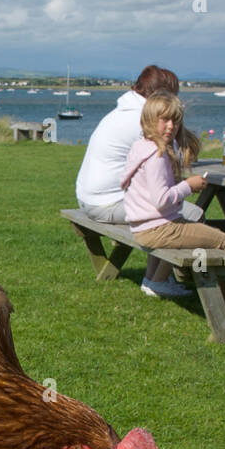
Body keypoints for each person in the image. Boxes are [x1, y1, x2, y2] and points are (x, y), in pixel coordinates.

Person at [120, 93, 225, 330]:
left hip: (145, 226)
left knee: (201, 238)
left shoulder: (142, 146)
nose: (171, 126)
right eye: (165, 120)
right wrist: (188, 186)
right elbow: (161, 199)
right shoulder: (157, 155)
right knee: (224, 243)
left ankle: (197, 279)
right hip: (159, 227)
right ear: (150, 121)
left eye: (175, 121)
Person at [75, 64, 183, 293]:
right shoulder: (143, 121)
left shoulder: (123, 112)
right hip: (106, 203)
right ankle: (159, 280)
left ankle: (160, 277)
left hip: (90, 198)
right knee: (173, 212)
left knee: (160, 203)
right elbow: (173, 162)